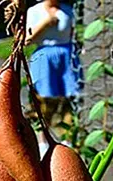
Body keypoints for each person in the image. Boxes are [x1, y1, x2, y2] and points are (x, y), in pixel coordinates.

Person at [25, 0, 80, 146]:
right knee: (43, 100)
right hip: (45, 56)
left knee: (69, 98)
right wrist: (45, 23)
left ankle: (67, 139)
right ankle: (42, 142)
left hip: (66, 56)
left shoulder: (67, 10)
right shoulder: (34, 11)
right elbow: (27, 39)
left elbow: (73, 34)